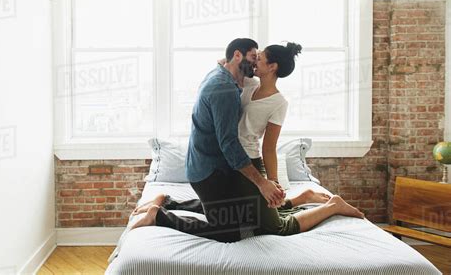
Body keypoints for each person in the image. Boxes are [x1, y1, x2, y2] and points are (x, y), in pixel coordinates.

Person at [131, 38, 364, 242]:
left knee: (276, 227)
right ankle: (303, 198)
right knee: (245, 214)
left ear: (272, 67)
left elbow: (269, 147)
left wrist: (271, 182)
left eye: (259, 59)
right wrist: (230, 59)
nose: (255, 62)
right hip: (232, 163)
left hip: (248, 162)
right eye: (254, 57)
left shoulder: (278, 103)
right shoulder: (247, 84)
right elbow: (226, 65)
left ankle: (333, 205)